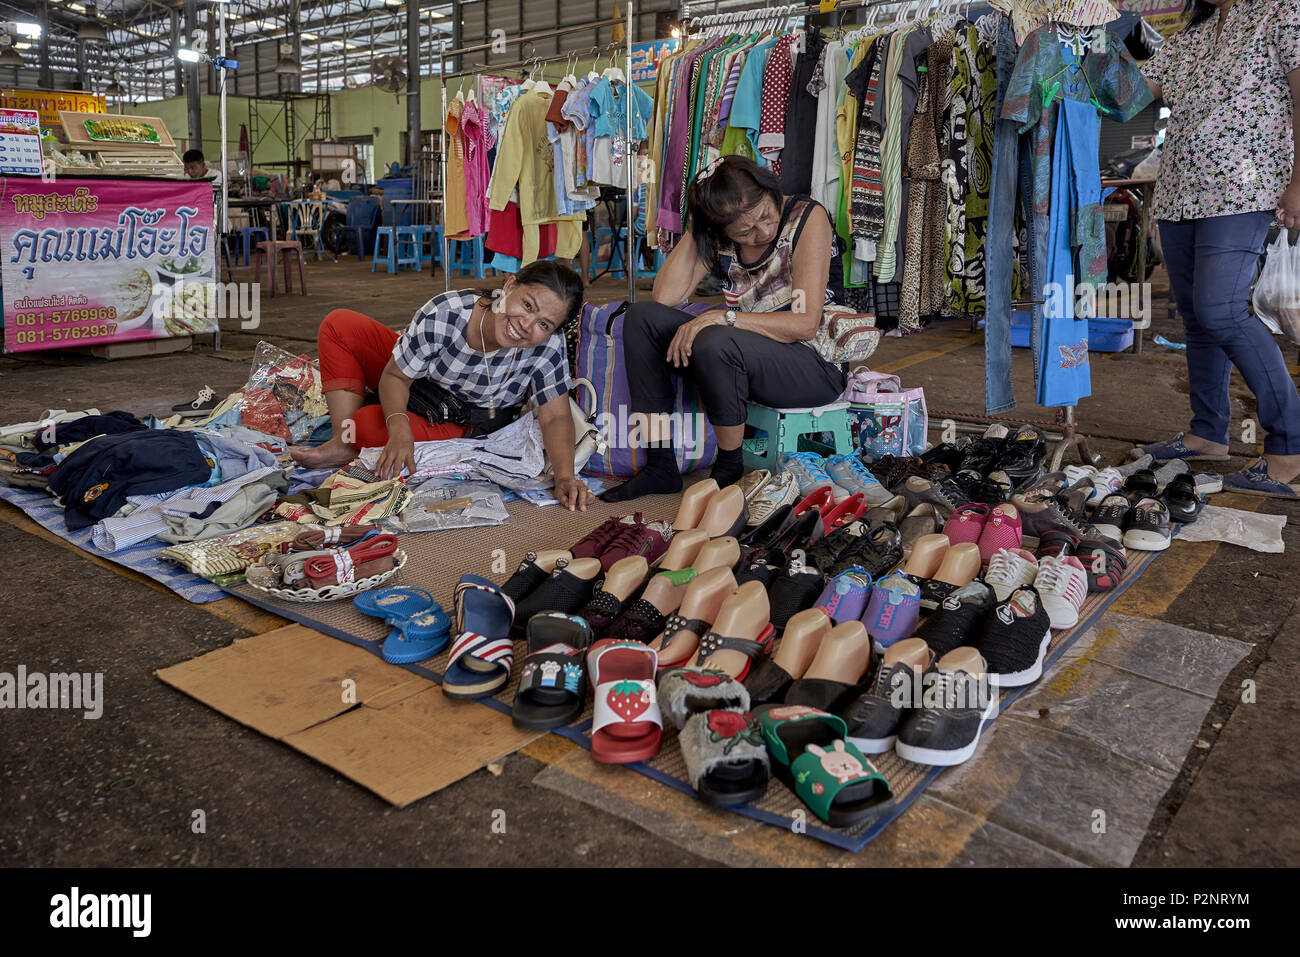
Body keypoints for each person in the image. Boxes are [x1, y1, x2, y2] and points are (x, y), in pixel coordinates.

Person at [601, 154, 850, 502]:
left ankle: (729, 466)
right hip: (742, 360)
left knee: (716, 337)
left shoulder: (806, 218)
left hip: (813, 366)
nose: (761, 231)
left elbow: (805, 324)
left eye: (764, 215)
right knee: (643, 318)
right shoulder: (718, 235)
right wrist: (699, 225)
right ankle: (660, 463)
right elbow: (666, 296)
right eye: (744, 232)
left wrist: (723, 317)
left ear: (769, 188)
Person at [1140, 0, 1300, 496]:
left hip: (1244, 189)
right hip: (1181, 193)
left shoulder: (1281, 12)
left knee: (1222, 309)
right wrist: (1104, 37)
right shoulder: (1189, 37)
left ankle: (1291, 446)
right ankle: (1208, 432)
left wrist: (1299, 183)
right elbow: (1127, 99)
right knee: (1196, 314)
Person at [291, 260, 596, 511]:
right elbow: (396, 376)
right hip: (422, 385)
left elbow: (555, 415)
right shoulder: (447, 313)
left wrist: (566, 477)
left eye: (544, 324)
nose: (526, 325)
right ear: (509, 286)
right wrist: (399, 427)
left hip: (470, 415)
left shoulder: (548, 347)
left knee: (368, 427)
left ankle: (355, 437)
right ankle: (343, 441)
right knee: (340, 325)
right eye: (527, 305)